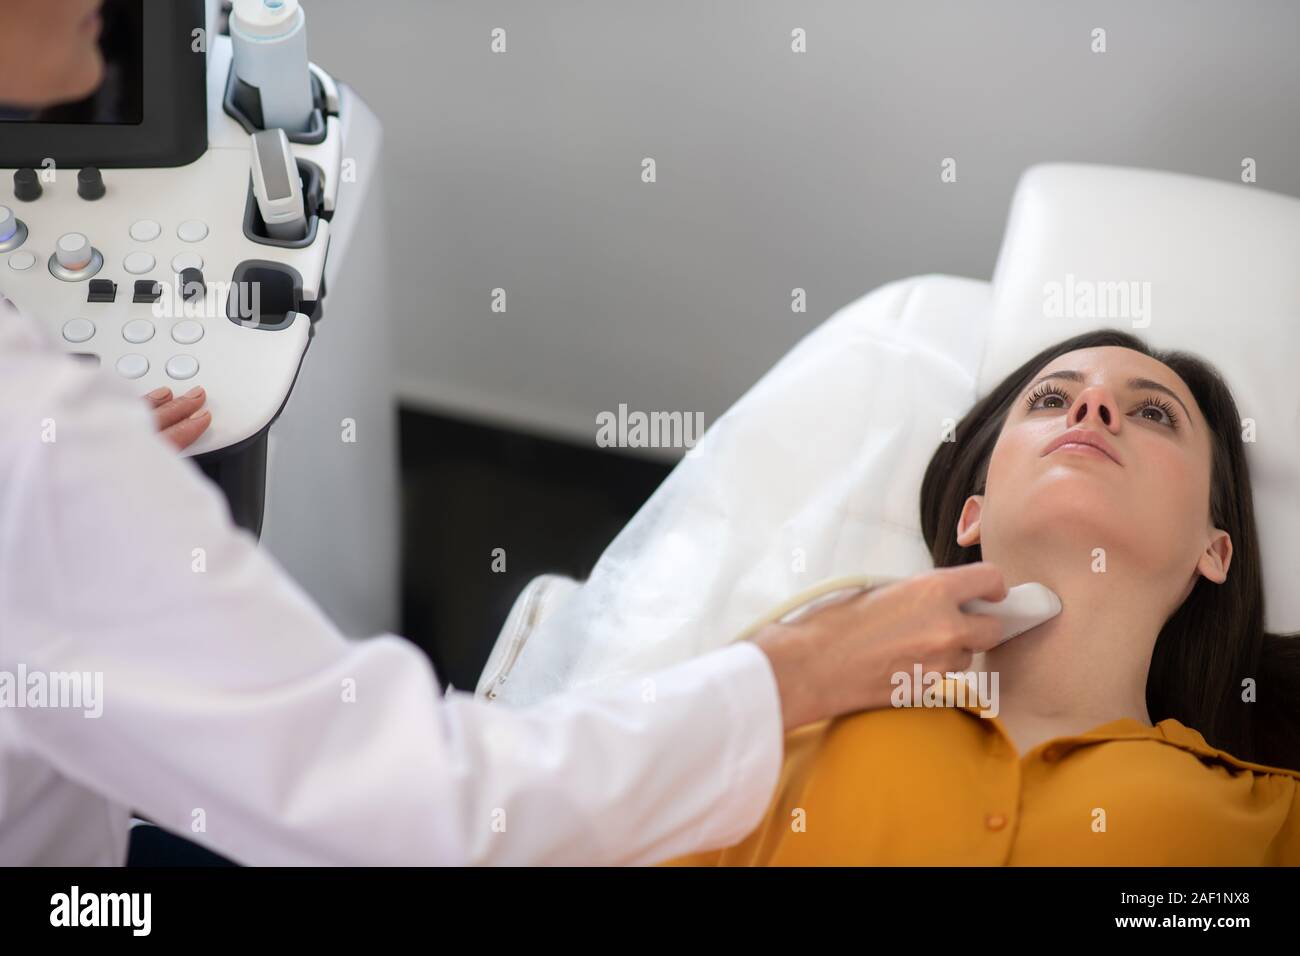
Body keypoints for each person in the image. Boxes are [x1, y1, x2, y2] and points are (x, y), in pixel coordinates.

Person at [0, 1, 1014, 865]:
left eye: (1154, 409)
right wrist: (798, 668)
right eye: (1054, 397)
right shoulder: (38, 443)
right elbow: (430, 815)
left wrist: (87, 503)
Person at [665, 330, 1300, 866]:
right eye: (1053, 399)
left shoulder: (1276, 825)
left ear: (1214, 551)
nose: (1095, 407)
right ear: (974, 514)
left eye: (1154, 413)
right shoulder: (772, 745)